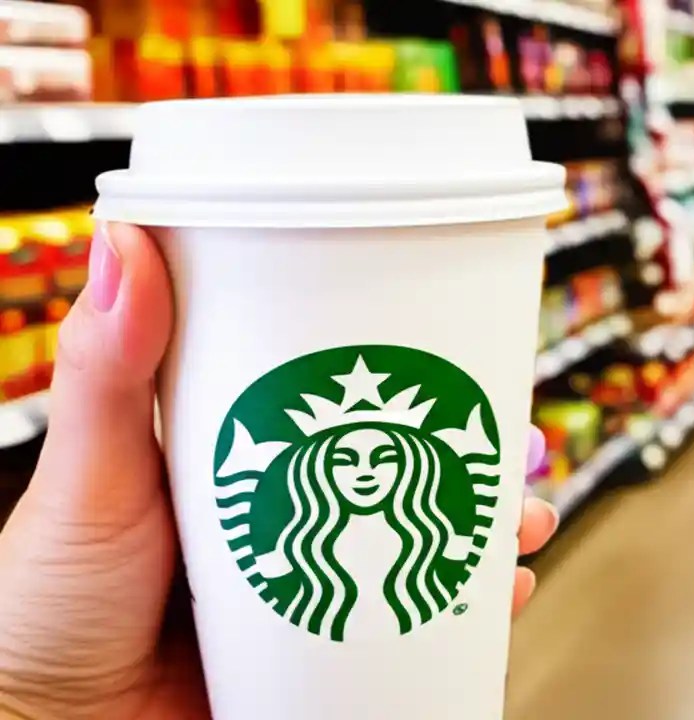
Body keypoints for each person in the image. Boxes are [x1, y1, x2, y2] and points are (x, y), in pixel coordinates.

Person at [0, 223, 558, 718]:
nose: (365, 473)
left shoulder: (426, 554)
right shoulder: (299, 555)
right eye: (344, 458)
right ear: (314, 469)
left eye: (385, 456)